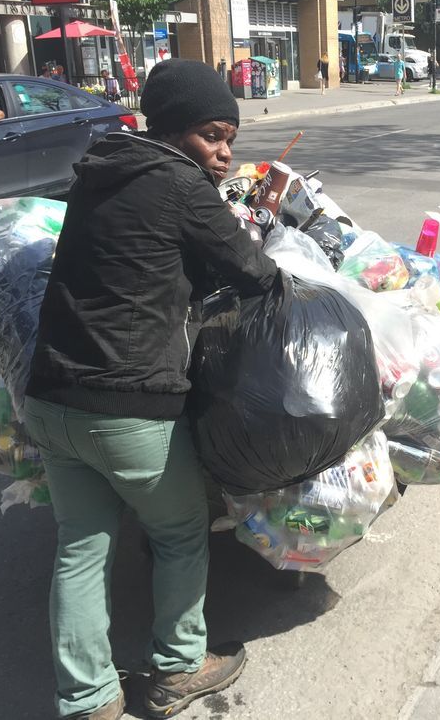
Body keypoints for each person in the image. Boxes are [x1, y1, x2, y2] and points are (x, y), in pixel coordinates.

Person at [22, 59, 278, 720]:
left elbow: (141, 257)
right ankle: (179, 668)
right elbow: (254, 274)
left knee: (80, 548)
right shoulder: (179, 183)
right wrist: (264, 222)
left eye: (232, 139)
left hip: (51, 399)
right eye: (213, 135)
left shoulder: (103, 170)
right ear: (171, 129)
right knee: (180, 531)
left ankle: (87, 701)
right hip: (126, 407)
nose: (223, 153)